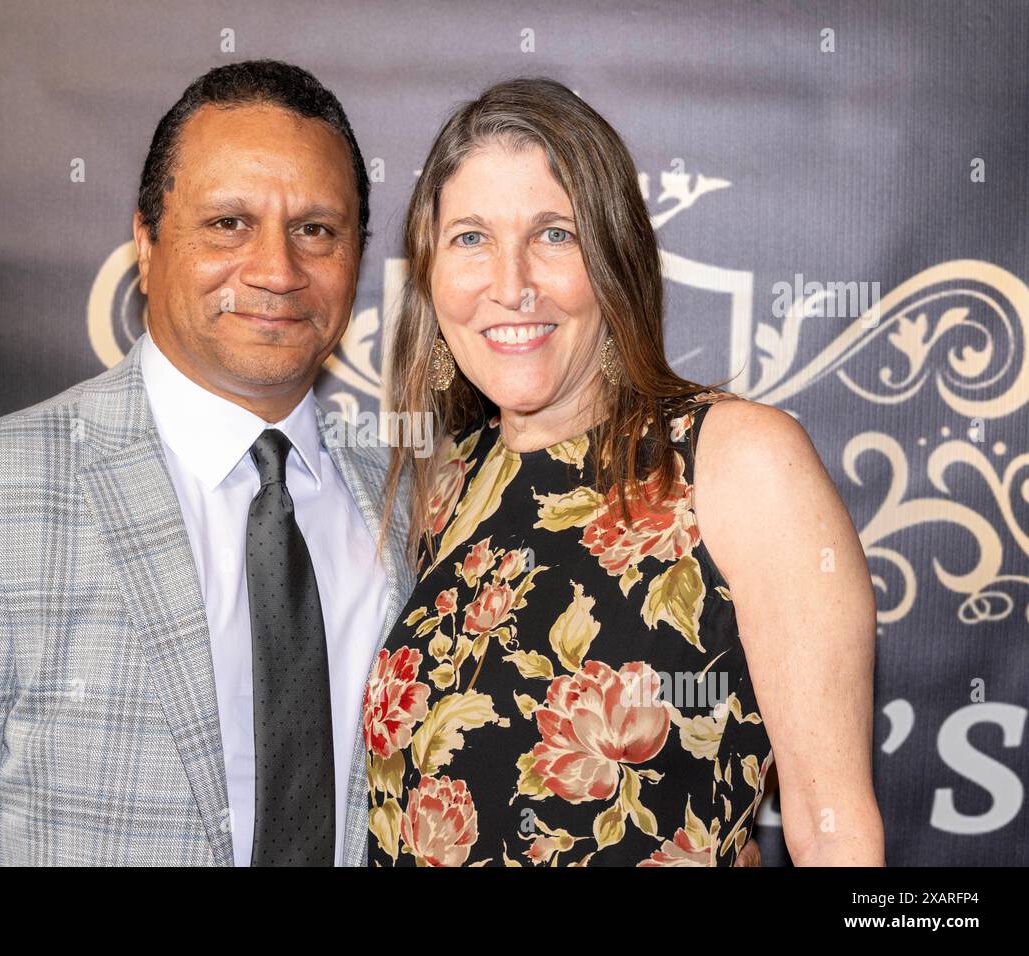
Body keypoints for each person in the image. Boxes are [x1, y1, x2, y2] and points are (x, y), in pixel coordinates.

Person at [0, 59, 415, 866]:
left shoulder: (413, 498)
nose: (277, 270)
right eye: (228, 223)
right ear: (146, 240)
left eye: (316, 229)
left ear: (356, 259)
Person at [364, 77, 884, 866]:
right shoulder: (442, 488)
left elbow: (832, 829)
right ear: (431, 279)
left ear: (616, 261)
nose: (510, 285)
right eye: (470, 237)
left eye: (554, 234)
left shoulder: (736, 461)